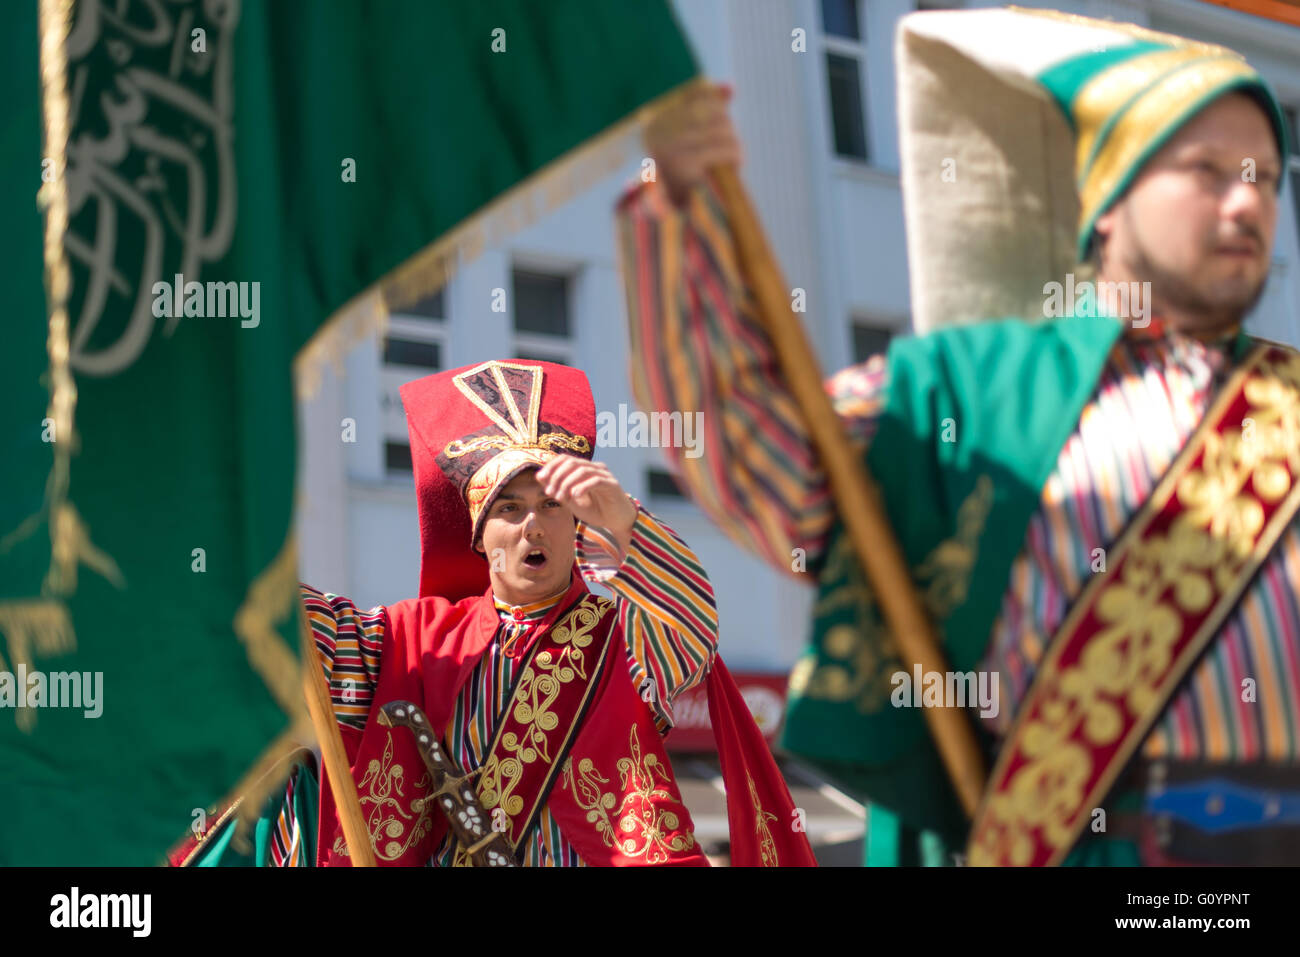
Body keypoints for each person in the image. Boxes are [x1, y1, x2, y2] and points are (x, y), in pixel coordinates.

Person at [615, 7, 1298, 866]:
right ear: (1111, 203)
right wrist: (683, 207)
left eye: (1267, 177)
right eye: (1209, 170)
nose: (1249, 201)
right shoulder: (961, 386)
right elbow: (769, 470)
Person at [172, 358, 815, 867]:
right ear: (479, 537)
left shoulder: (621, 639)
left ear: (577, 529)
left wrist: (629, 525)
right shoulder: (415, 638)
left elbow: (692, 625)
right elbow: (305, 639)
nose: (532, 524)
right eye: (509, 508)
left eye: (552, 507)